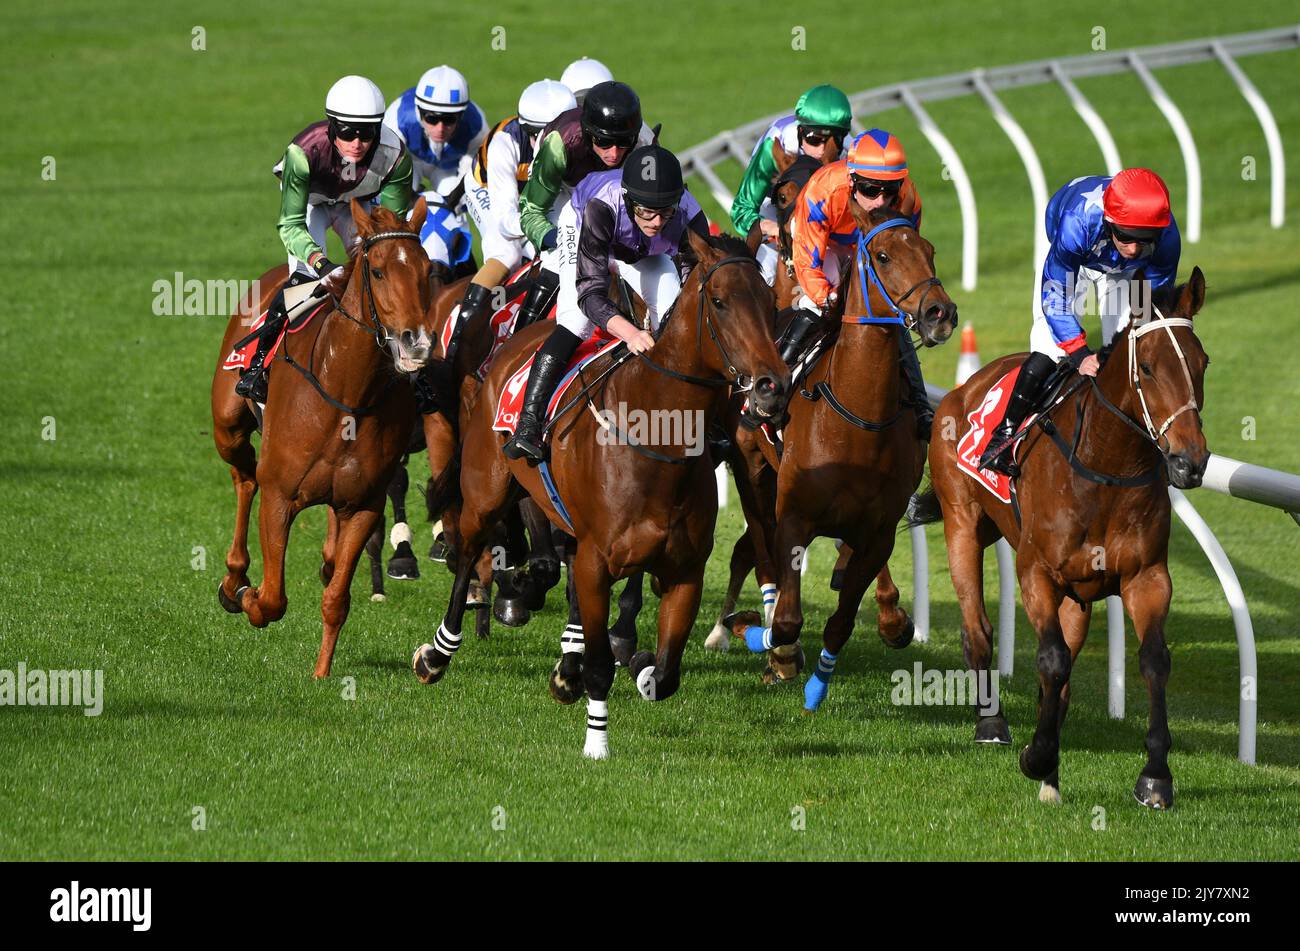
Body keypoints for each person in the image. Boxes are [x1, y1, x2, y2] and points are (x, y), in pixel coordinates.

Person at [502, 145, 710, 464]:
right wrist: (631, 334)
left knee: (671, 310)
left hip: (641, 251)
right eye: (646, 212)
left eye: (664, 212)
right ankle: (528, 424)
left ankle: (691, 420)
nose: (656, 221)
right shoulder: (602, 207)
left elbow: (695, 284)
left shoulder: (688, 213)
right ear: (629, 201)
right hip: (585, 229)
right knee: (576, 321)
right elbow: (590, 295)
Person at [978, 168, 1182, 475]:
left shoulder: (1166, 237)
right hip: (1073, 260)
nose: (1134, 248)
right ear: (1110, 223)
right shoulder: (1078, 222)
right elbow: (1055, 295)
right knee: (1051, 349)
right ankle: (1003, 437)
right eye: (1126, 237)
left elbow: (1150, 302)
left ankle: (1151, 445)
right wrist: (1078, 354)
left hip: (1127, 275)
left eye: (1144, 239)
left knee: (1136, 350)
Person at [236, 75, 413, 403]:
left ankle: (412, 366)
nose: (357, 142)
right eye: (347, 132)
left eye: (367, 132)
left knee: (387, 273)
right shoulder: (302, 152)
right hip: (311, 207)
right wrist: (321, 263)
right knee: (304, 281)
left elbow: (390, 229)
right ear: (331, 126)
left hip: (355, 207)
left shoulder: (397, 157)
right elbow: (290, 225)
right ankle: (258, 366)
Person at [787, 128, 933, 438]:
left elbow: (904, 258)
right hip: (825, 243)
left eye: (889, 190)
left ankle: (921, 406)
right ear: (853, 180)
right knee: (816, 303)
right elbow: (807, 262)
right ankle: (775, 384)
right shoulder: (823, 190)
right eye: (869, 190)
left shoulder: (909, 199)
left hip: (873, 247)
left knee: (892, 316)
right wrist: (831, 298)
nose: (880, 200)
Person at [446, 79, 576, 366]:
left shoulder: (575, 139)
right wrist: (543, 231)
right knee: (509, 252)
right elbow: (506, 220)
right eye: (543, 135)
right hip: (489, 191)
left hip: (537, 197)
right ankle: (460, 335)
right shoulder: (506, 143)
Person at [730, 84, 852, 285]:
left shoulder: (851, 156)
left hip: (825, 218)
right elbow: (741, 210)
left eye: (833, 141)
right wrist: (774, 229)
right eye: (814, 139)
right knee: (764, 273)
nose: (822, 151)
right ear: (800, 131)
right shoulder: (775, 145)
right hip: (776, 210)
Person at [383, 65, 487, 271]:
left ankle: (461, 269)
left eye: (449, 120)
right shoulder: (396, 122)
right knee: (398, 211)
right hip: (408, 164)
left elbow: (473, 173)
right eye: (432, 118)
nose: (440, 128)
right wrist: (416, 199)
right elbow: (390, 178)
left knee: (456, 212)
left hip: (451, 166)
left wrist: (451, 202)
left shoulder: (477, 127)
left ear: (462, 116)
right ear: (419, 112)